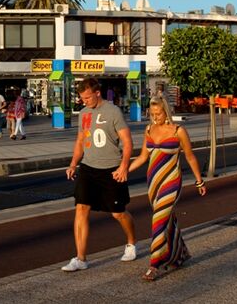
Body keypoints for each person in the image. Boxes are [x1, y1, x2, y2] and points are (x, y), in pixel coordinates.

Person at [61, 78, 137, 272]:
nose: (84, 101)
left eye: (87, 97)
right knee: (81, 208)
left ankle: (130, 243)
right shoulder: (84, 113)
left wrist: (123, 167)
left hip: (111, 169)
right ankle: (80, 258)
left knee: (118, 213)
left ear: (97, 93)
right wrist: (73, 164)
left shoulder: (113, 112)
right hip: (88, 168)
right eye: (82, 98)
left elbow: (127, 142)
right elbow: (80, 141)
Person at [129, 96, 207, 281]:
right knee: (167, 220)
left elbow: (190, 156)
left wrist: (199, 181)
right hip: (153, 182)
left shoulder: (178, 131)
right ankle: (180, 254)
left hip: (172, 180)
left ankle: (155, 264)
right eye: (153, 114)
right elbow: (142, 157)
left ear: (167, 111)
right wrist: (123, 170)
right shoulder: (148, 129)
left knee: (158, 220)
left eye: (159, 113)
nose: (156, 117)